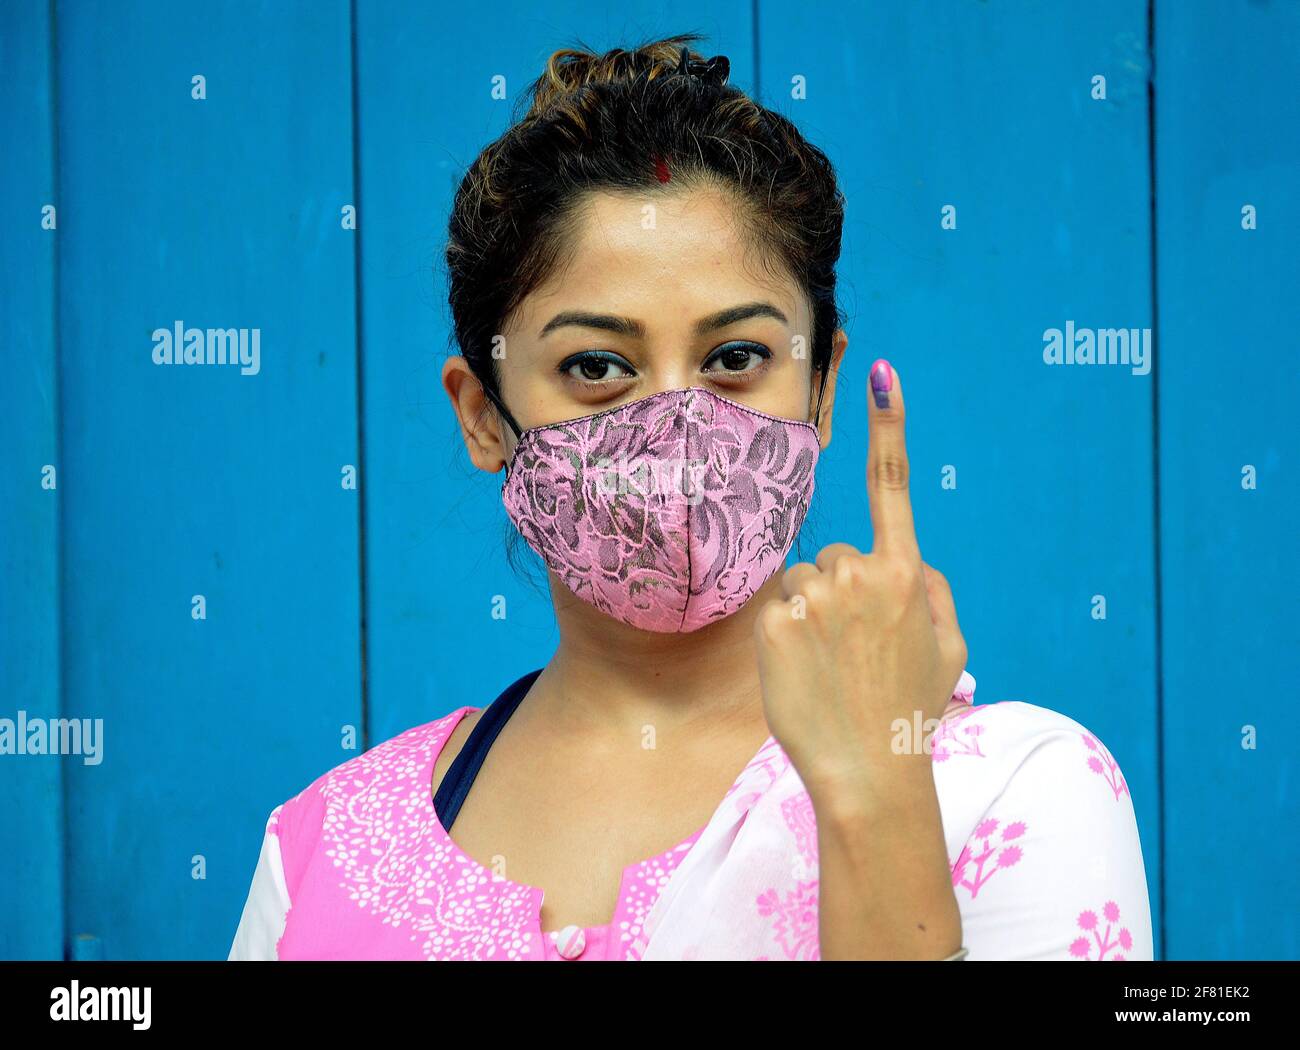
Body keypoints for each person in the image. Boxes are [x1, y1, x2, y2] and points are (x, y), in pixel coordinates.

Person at [228, 33, 1152, 961]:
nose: (674, 433)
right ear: (483, 416)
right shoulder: (322, 849)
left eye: (736, 358)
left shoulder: (1014, 791)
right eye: (596, 365)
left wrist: (878, 801)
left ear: (821, 391)